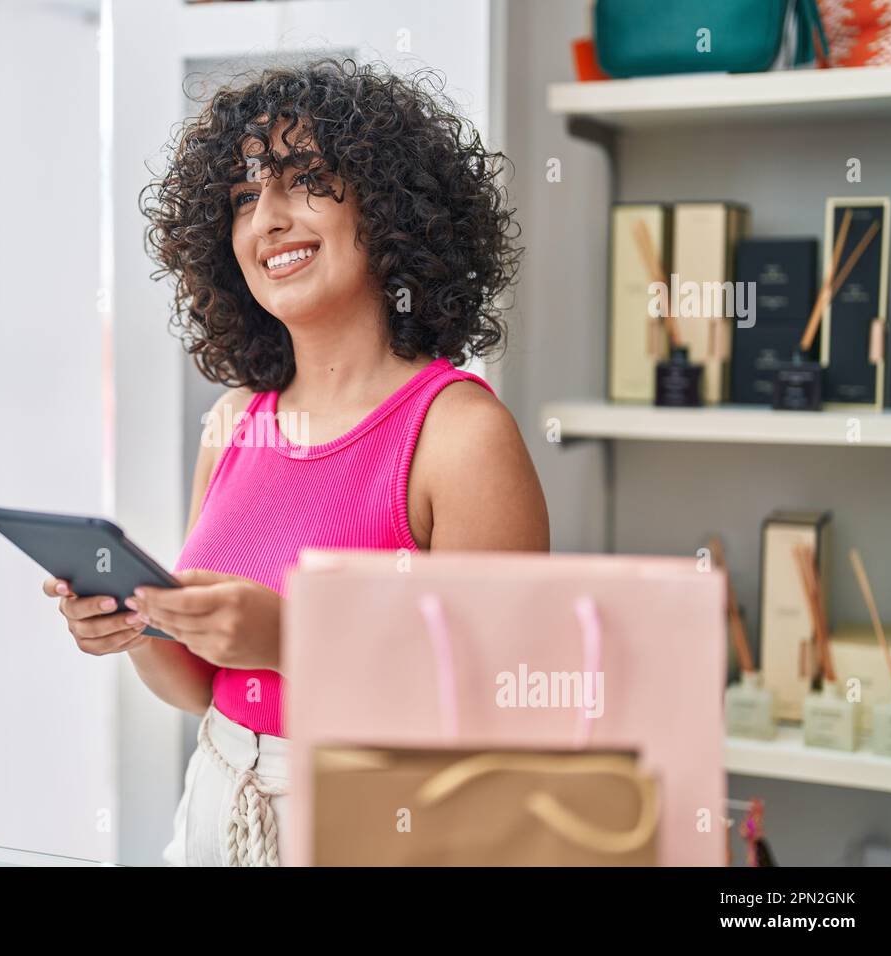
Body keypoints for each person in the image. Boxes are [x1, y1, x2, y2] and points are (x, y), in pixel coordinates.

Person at [42, 57, 549, 866]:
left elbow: (502, 712)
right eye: (244, 198)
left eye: (303, 180)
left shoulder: (460, 434)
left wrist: (294, 639)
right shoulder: (236, 423)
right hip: (217, 804)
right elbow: (201, 686)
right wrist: (139, 623)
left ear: (390, 209)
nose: (267, 221)